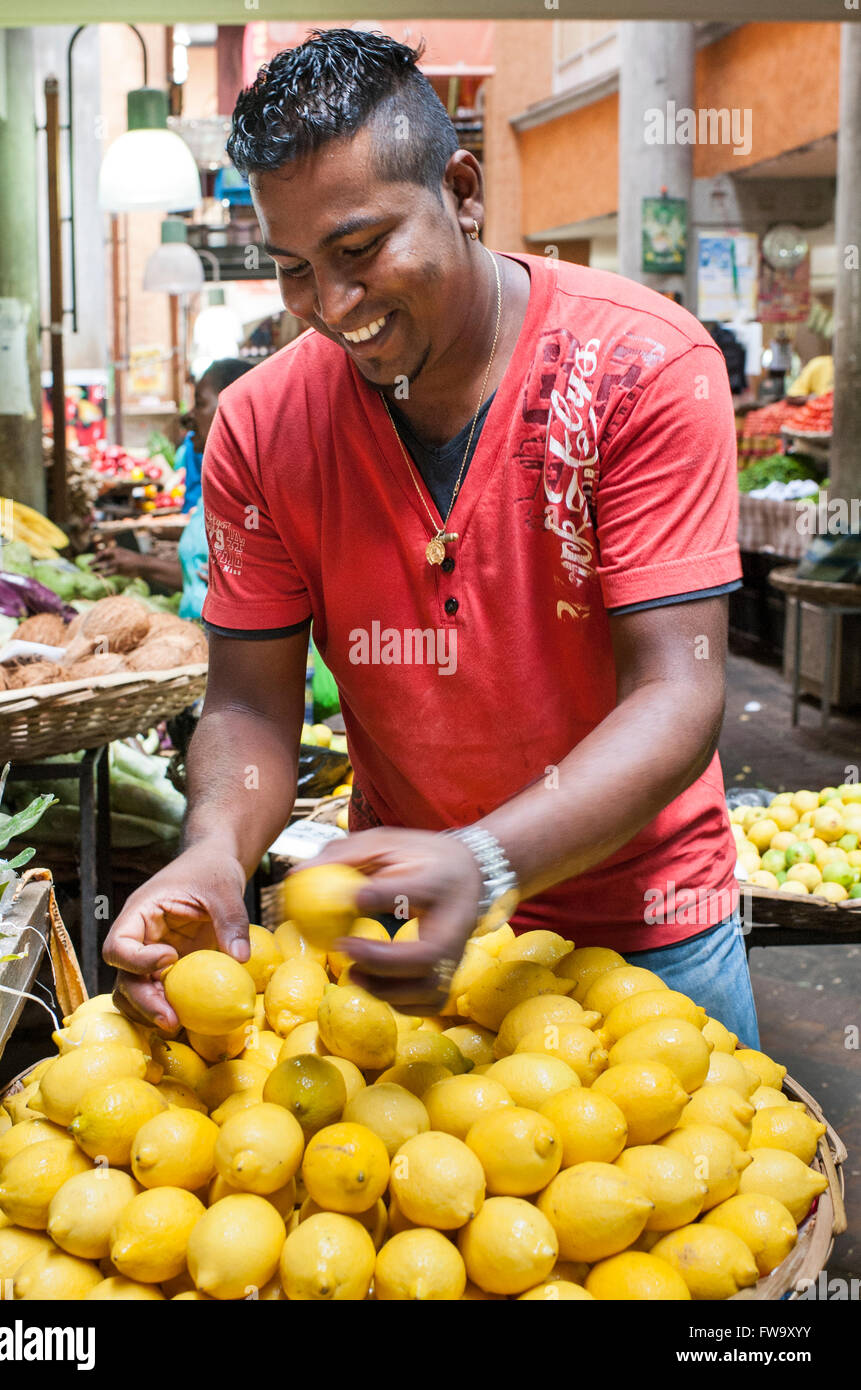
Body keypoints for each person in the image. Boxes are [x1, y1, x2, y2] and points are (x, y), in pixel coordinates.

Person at [105, 30, 758, 1047]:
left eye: (358, 251)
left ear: (461, 189)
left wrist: (490, 860)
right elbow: (249, 703)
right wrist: (215, 851)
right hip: (397, 942)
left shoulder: (638, 367)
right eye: (293, 269)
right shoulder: (260, 425)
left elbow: (678, 689)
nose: (329, 307)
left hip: (644, 935)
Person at [94, 359, 252, 607]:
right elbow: (199, 577)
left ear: (234, 408)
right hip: (196, 636)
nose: (189, 417)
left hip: (233, 643)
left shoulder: (257, 498)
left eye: (199, 404)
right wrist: (140, 564)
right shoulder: (214, 489)